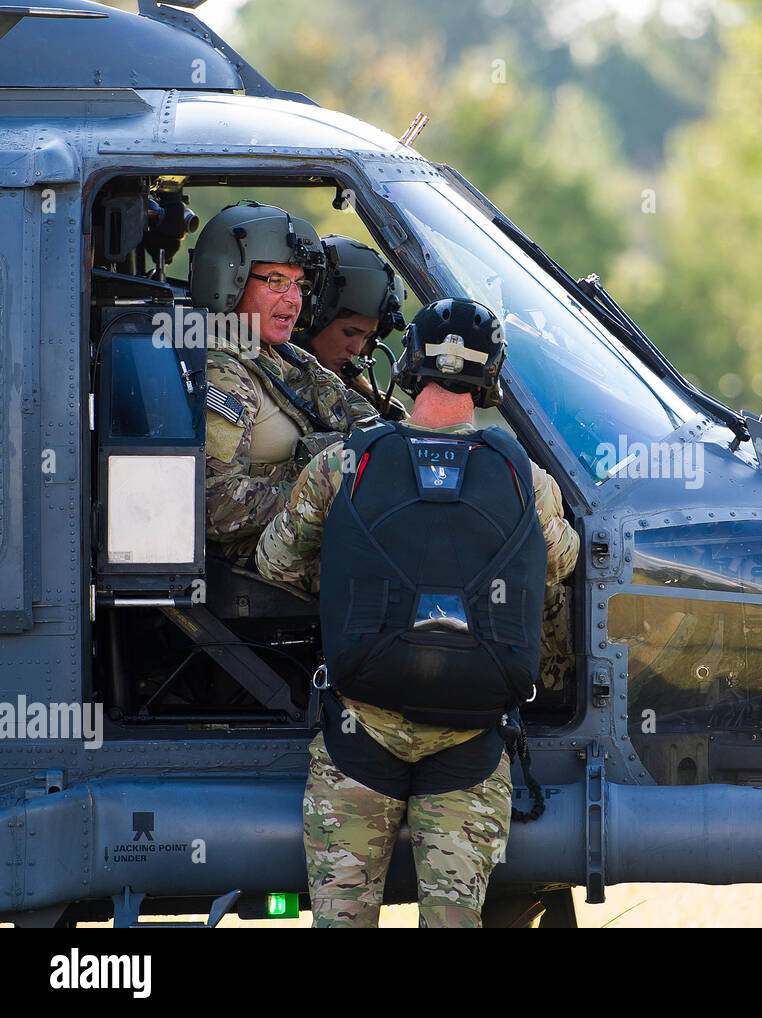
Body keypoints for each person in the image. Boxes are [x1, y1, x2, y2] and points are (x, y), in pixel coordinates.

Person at [255, 298, 578, 928]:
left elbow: (275, 563)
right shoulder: (523, 476)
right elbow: (559, 564)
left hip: (360, 731)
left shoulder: (346, 462)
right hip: (472, 738)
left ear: (410, 364)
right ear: (492, 377)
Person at [191, 202, 378, 560]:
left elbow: (365, 421)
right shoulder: (222, 373)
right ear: (229, 280)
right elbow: (217, 506)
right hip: (256, 558)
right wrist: (317, 488)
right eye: (276, 281)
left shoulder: (283, 356)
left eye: (299, 284)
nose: (293, 300)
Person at [301, 234, 409, 420]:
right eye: (350, 332)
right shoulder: (268, 380)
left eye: (367, 338)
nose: (357, 349)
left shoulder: (370, 400)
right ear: (313, 316)